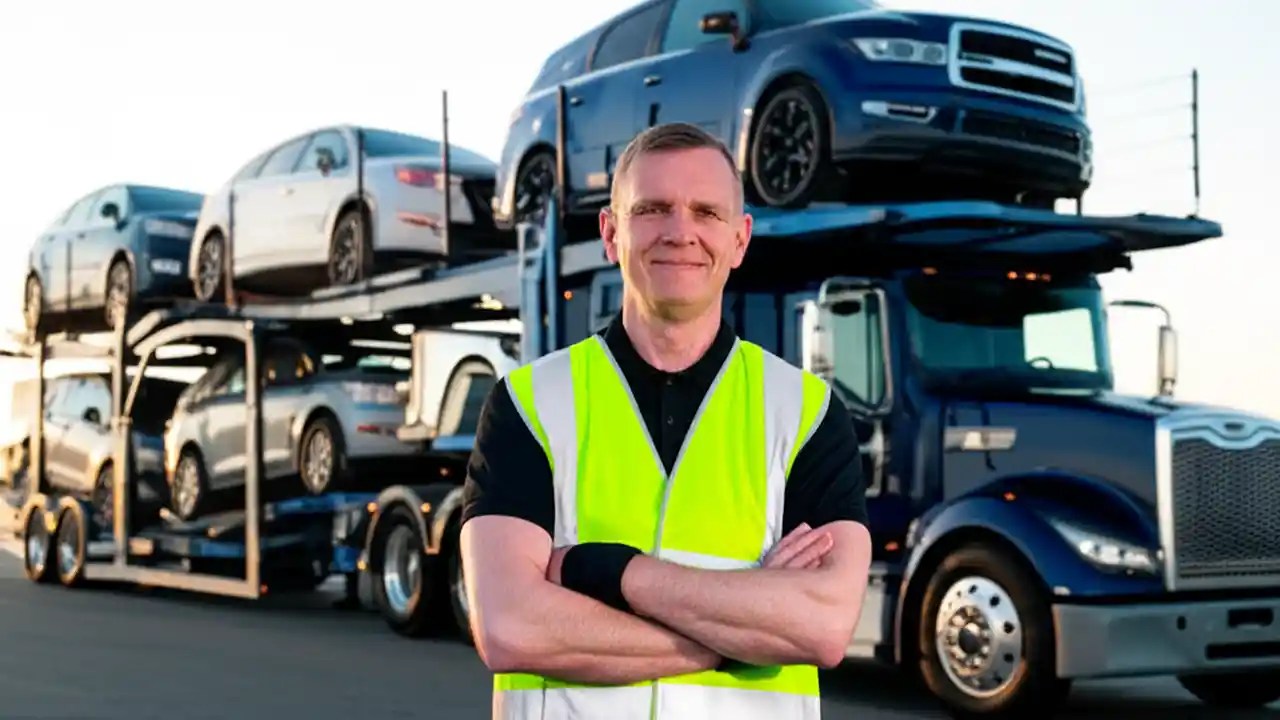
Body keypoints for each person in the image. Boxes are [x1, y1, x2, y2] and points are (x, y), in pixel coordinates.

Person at [459, 122, 873, 720]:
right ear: (611, 233)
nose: (680, 232)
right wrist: (742, 636)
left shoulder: (806, 413)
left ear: (740, 239)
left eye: (706, 212)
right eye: (652, 209)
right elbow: (511, 628)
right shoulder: (529, 404)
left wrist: (613, 573)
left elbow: (824, 626)